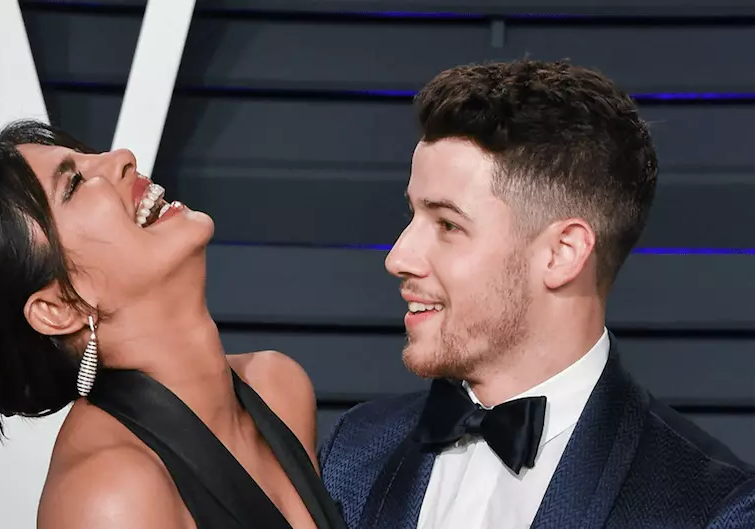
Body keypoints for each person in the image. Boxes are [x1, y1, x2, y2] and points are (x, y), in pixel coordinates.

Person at [318, 59, 755, 528]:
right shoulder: (354, 449)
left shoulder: (712, 507)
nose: (398, 256)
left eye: (447, 224)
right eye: (413, 215)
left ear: (562, 253)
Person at [0, 120, 347, 529]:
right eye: (74, 185)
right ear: (57, 308)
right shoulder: (108, 498)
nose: (122, 158)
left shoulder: (277, 386)